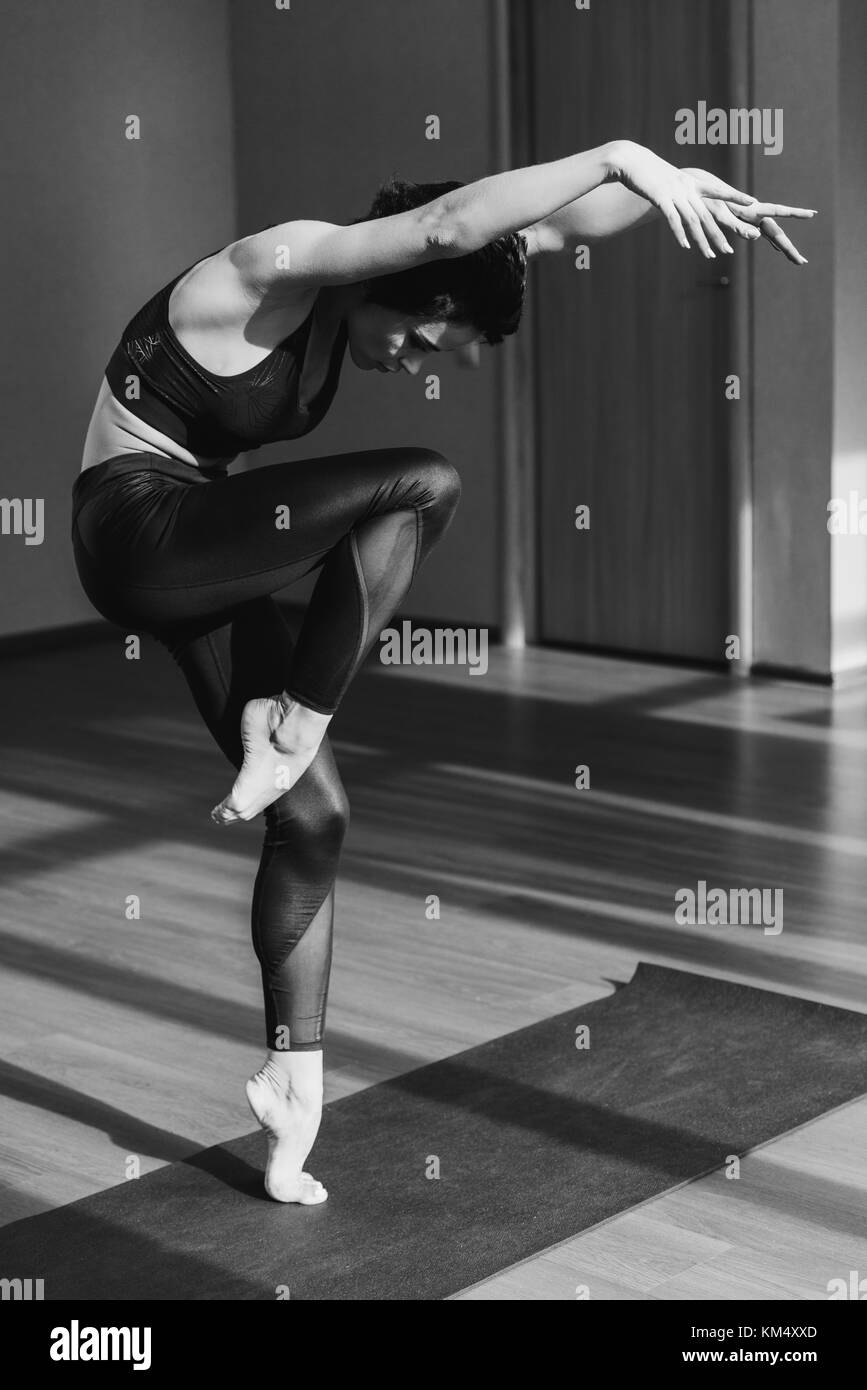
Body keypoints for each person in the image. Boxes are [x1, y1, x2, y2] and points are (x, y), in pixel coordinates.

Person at [70, 139, 815, 1204]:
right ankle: (289, 729)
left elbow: (537, 230)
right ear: (388, 276)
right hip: (134, 525)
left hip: (199, 531)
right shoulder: (278, 264)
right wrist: (620, 152)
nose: (418, 347)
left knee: (317, 819)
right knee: (424, 482)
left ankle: (291, 1085)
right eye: (421, 325)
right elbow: (443, 229)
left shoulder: (374, 297)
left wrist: (660, 195)